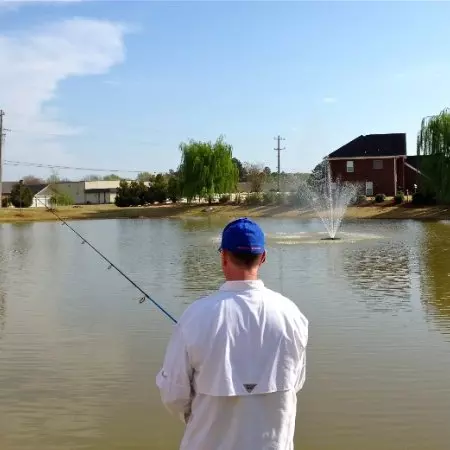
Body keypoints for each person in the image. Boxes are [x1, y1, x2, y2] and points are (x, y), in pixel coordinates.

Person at [156, 217, 309, 450]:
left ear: (224, 256)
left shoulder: (195, 316)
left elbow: (173, 395)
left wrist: (197, 415)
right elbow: (296, 382)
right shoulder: (292, 315)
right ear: (264, 257)